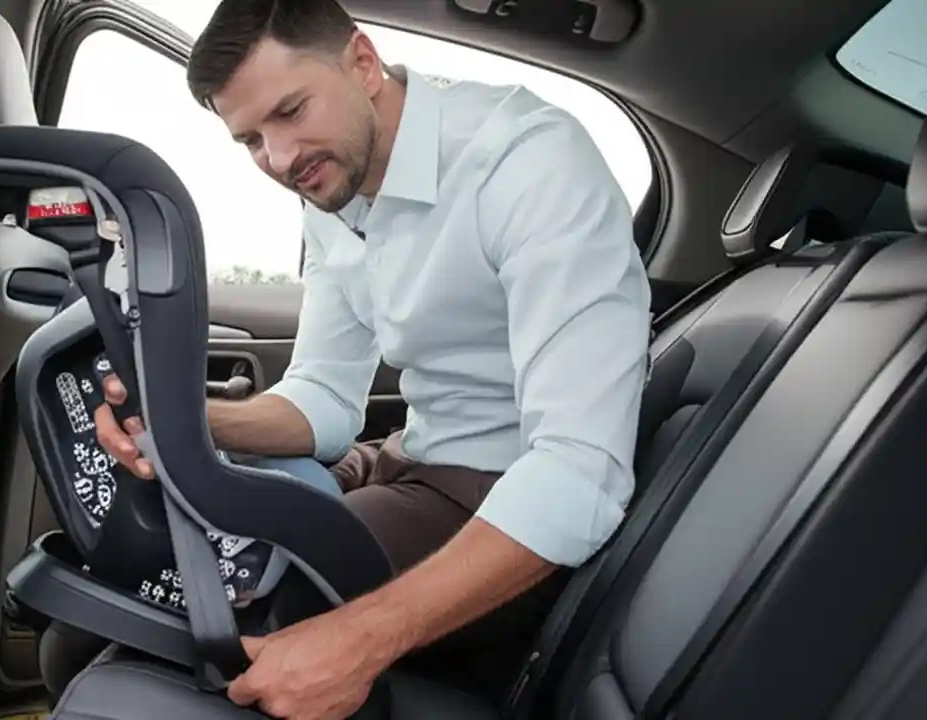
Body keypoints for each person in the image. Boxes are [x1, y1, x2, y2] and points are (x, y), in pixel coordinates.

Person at [92, 0, 651, 717]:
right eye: (252, 141)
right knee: (137, 571)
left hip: (494, 497)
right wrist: (177, 421)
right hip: (399, 458)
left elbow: (579, 470)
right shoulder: (331, 191)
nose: (281, 159)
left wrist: (358, 639)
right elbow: (323, 402)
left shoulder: (526, 163)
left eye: (291, 110)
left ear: (361, 62)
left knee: (197, 624)